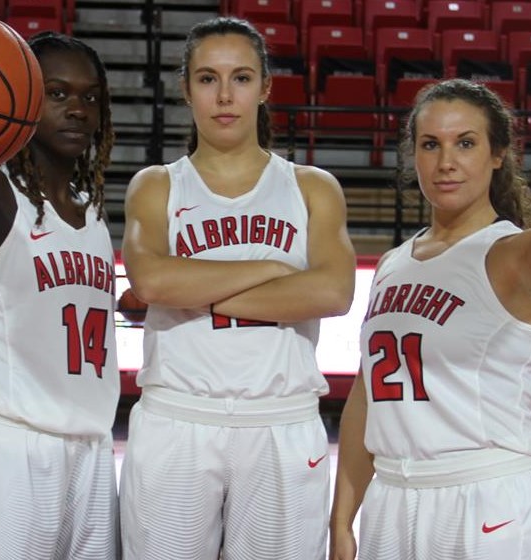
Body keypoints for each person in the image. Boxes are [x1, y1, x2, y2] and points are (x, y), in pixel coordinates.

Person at [330, 78, 531, 560]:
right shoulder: (392, 265)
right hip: (392, 496)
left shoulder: (521, 256)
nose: (446, 162)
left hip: (487, 496)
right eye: (431, 145)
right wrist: (342, 518)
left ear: (498, 155)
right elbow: (367, 399)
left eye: (465, 143)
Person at [118, 16, 356, 560]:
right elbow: (151, 279)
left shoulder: (312, 187)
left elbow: (333, 292)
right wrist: (274, 266)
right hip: (178, 416)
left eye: (241, 78)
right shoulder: (157, 185)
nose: (225, 96)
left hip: (281, 420)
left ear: (266, 87)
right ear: (186, 89)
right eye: (207, 79)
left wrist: (192, 287)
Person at [0, 32, 120, 560]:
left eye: (90, 96)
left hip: (91, 450)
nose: (77, 109)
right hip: (4, 451)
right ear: (21, 101)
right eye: (56, 94)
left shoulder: (92, 210)